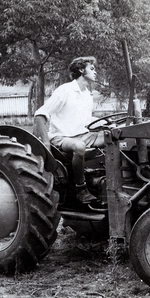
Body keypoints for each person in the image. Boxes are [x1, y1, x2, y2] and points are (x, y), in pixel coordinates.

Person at [34, 56, 104, 204]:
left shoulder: (87, 94)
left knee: (115, 137)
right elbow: (40, 114)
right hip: (61, 136)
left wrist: (108, 125)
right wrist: (46, 144)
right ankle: (81, 189)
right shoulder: (65, 90)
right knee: (79, 147)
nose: (95, 72)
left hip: (82, 134)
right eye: (92, 68)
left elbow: (85, 121)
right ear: (80, 70)